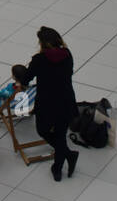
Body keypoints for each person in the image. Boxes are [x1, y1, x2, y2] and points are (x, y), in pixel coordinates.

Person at [11, 27, 79, 182]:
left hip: (47, 102)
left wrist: (19, 84)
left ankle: (63, 162)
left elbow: (26, 78)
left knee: (42, 130)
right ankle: (62, 163)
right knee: (60, 135)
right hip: (66, 100)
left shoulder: (39, 60)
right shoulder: (67, 55)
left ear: (43, 43)